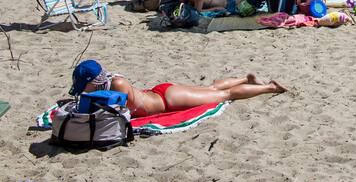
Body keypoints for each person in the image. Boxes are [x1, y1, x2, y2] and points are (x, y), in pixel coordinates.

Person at [69, 59, 285, 119]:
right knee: (210, 88)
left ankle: (269, 87)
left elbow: (122, 114)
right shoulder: (108, 81)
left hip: (168, 100)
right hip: (162, 93)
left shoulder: (117, 85)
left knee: (222, 95)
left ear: (93, 81)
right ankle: (245, 78)